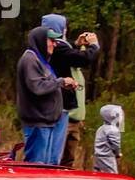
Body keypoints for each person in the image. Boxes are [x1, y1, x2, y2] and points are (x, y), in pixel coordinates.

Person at [41, 13, 100, 168]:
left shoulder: (59, 48)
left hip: (68, 111)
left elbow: (70, 57)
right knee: (56, 156)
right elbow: (82, 59)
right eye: (64, 26)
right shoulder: (57, 48)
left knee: (66, 157)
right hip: (61, 109)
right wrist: (94, 46)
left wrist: (76, 44)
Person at [16, 25, 76, 163]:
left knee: (46, 167)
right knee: (36, 165)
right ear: (40, 40)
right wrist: (61, 81)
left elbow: (46, 84)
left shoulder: (40, 60)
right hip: (37, 122)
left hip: (47, 122)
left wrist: (63, 85)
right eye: (51, 40)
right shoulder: (30, 60)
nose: (55, 44)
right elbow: (37, 87)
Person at [93, 104, 124, 174]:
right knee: (112, 175)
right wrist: (118, 153)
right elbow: (116, 145)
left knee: (97, 173)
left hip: (98, 156)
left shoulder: (101, 128)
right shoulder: (113, 130)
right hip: (108, 157)